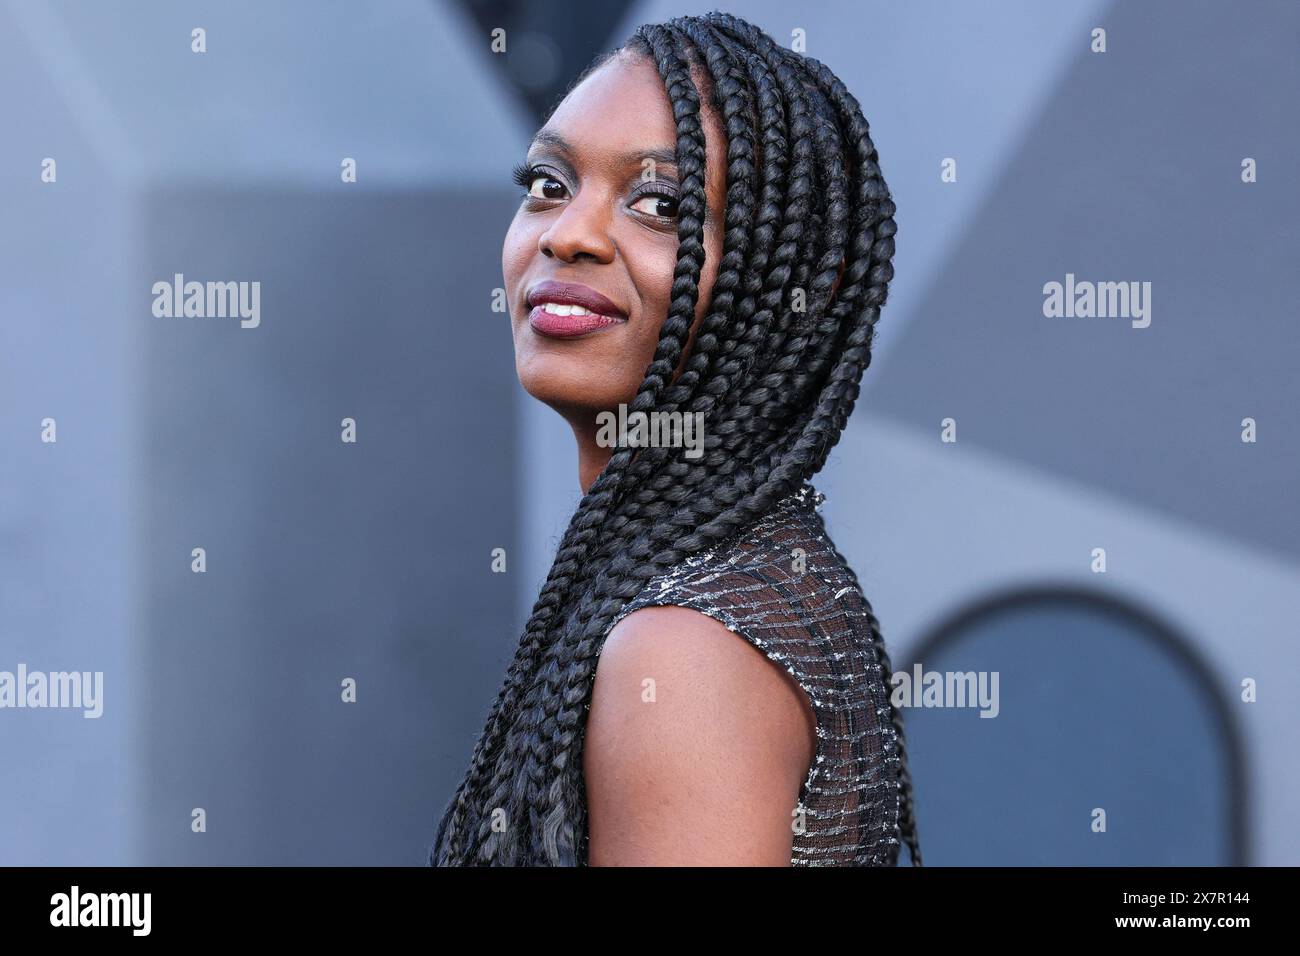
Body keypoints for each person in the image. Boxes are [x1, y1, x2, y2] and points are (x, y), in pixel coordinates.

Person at [430, 11, 921, 867]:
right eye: (548, 182)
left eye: (659, 204)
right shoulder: (736, 582)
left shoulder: (685, 649)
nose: (567, 233)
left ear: (795, 283)